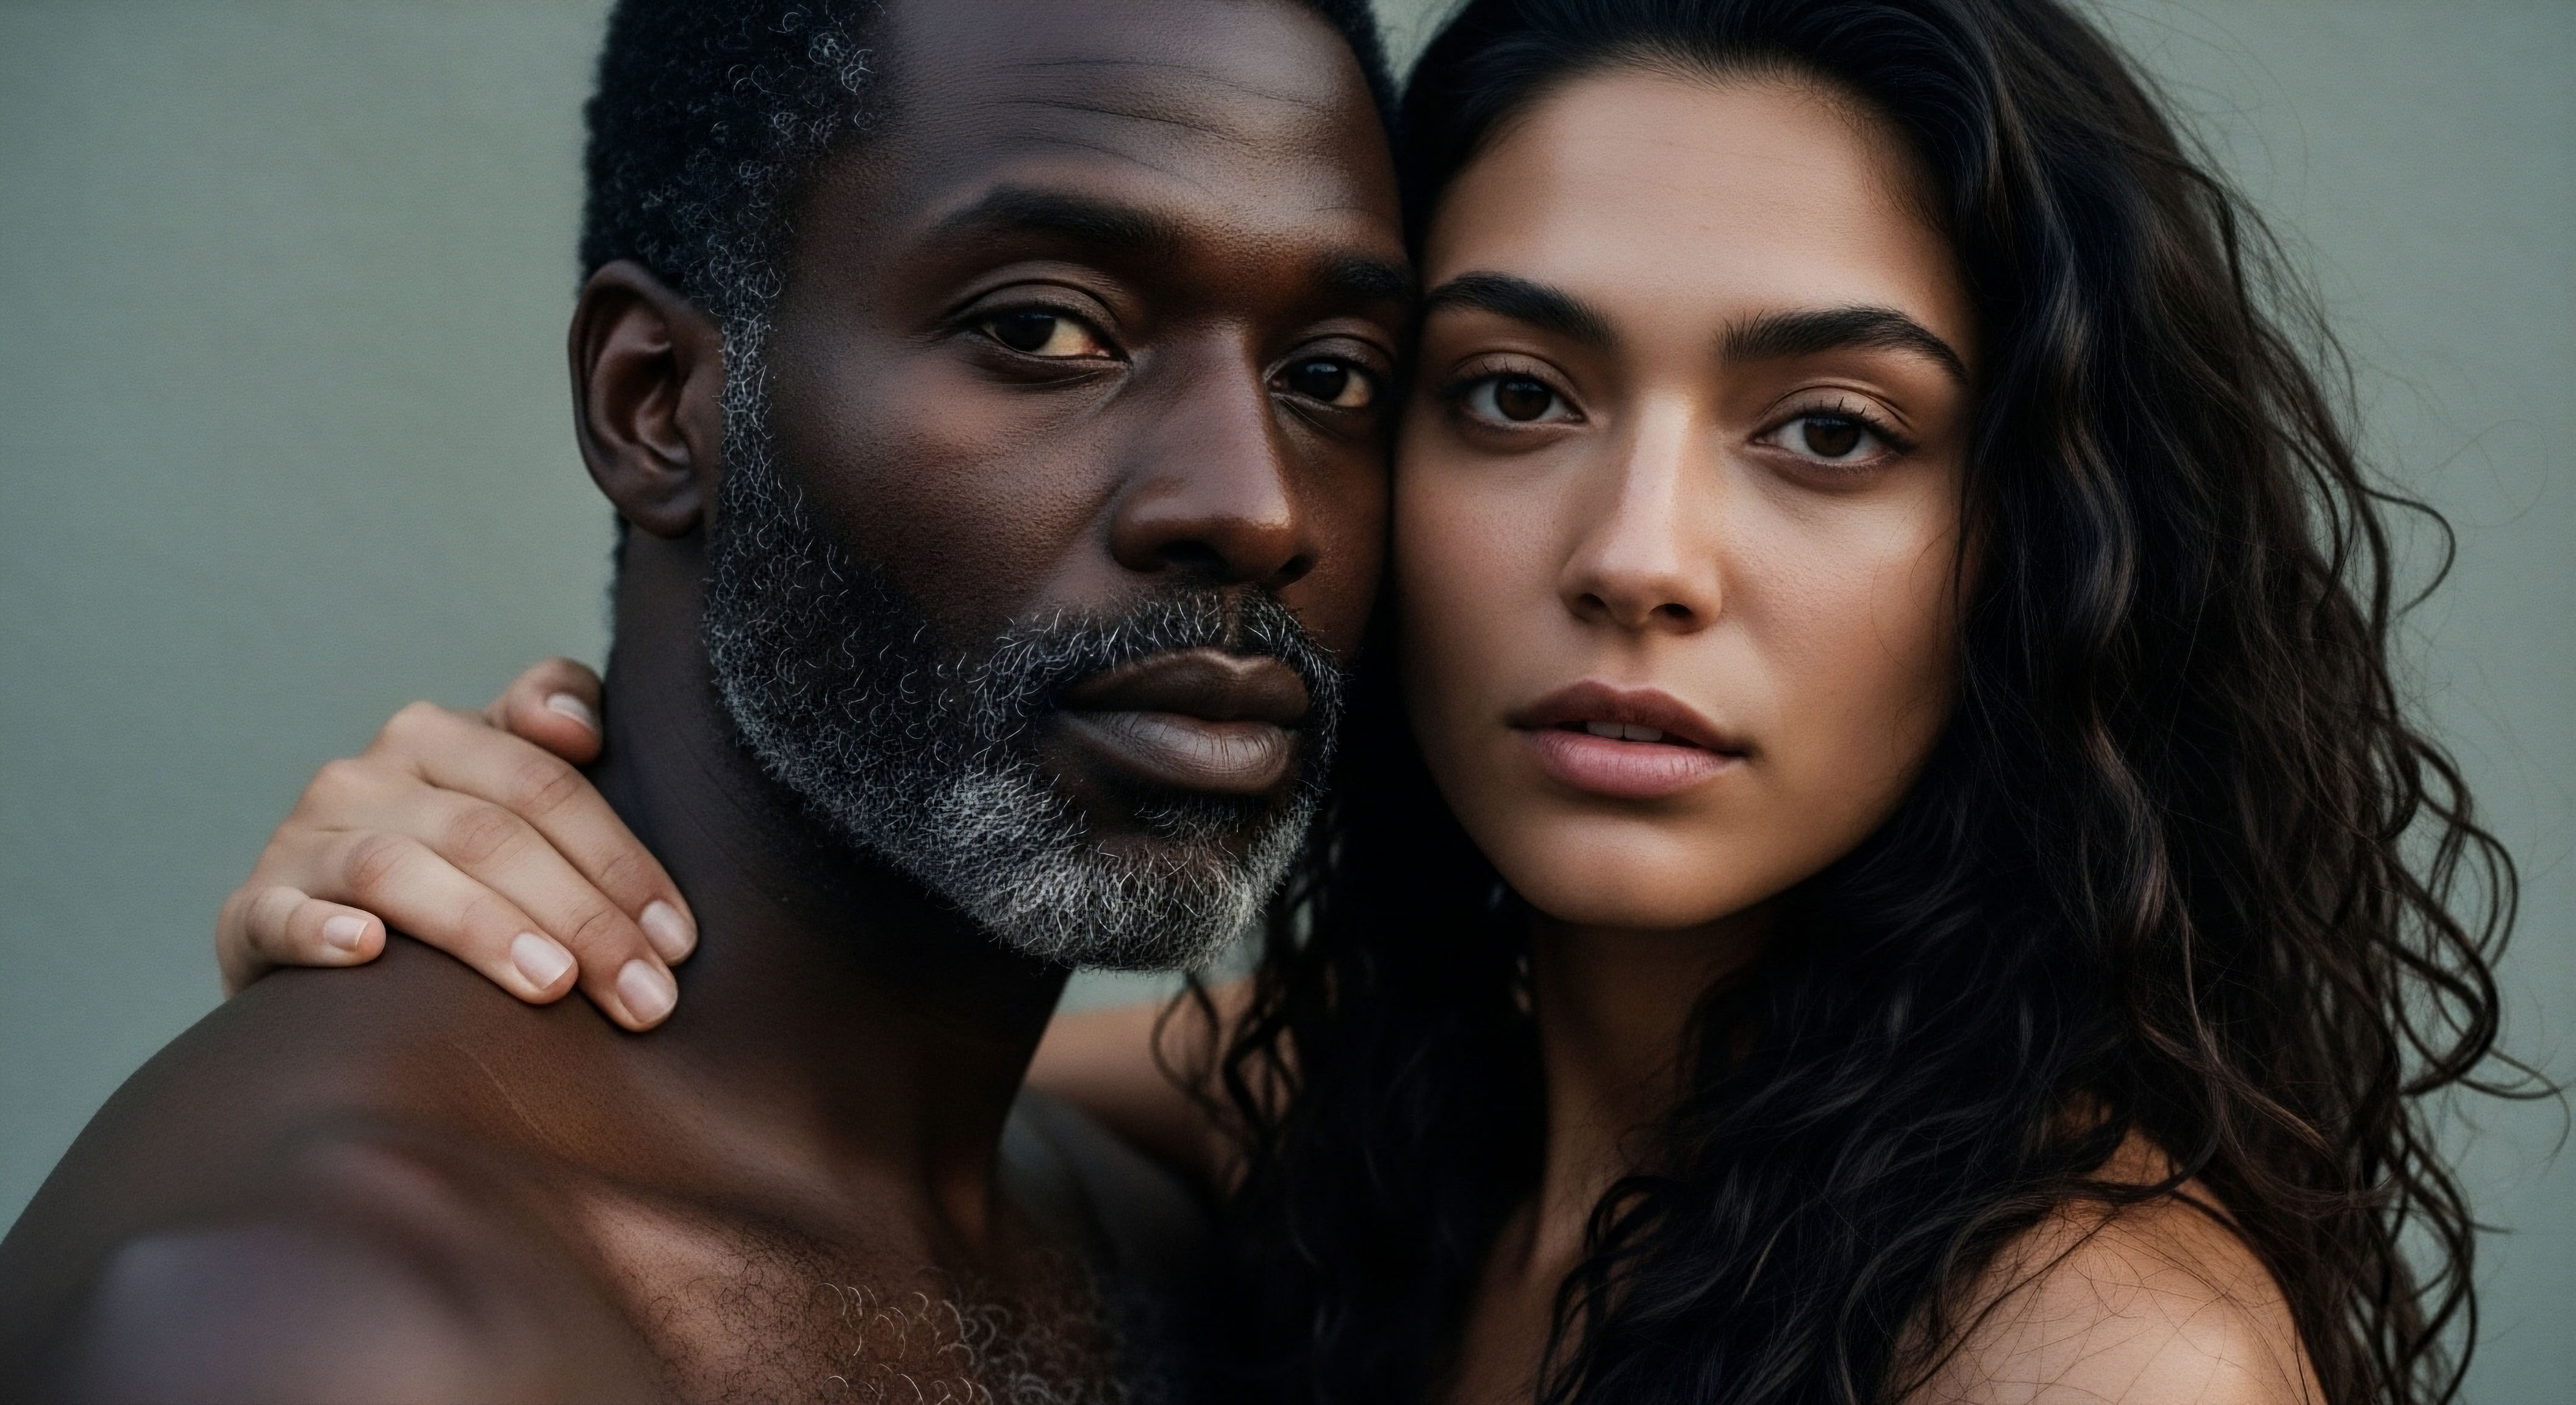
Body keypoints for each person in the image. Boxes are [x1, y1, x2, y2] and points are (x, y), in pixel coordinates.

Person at [206, 0, 2519, 1402]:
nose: (1636, 555)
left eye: (1827, 429)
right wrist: (446, 901)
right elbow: (840, 1118)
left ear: (2028, 548)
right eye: (1509, 392)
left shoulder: (2076, 1351)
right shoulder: (1351, 1153)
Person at [0, 0, 1411, 1400]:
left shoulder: (1180, 1220)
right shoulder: (333, 1320)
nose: (1256, 504)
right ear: (654, 400)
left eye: (1332, 374)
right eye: (1044, 329)